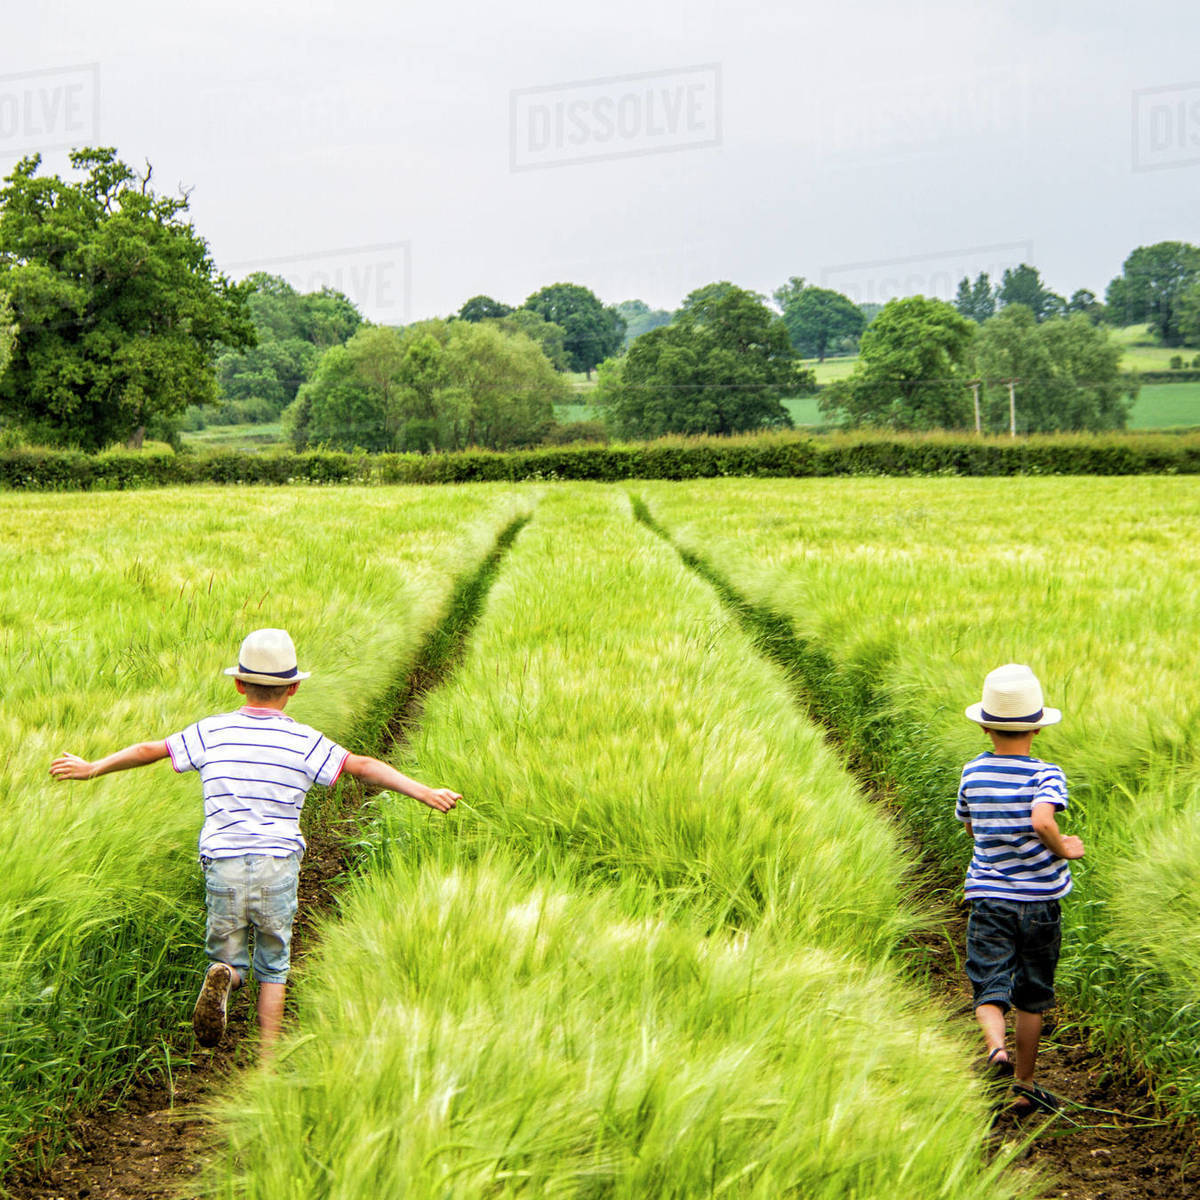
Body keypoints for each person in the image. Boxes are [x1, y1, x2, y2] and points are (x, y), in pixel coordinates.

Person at [50, 628, 460, 1054]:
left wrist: (93, 767)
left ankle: (226, 976)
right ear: (294, 688)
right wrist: (423, 791)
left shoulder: (212, 731)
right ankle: (266, 1062)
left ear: (239, 683)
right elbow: (362, 765)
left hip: (223, 862)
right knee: (274, 965)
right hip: (277, 864)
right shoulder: (303, 740)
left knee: (228, 955)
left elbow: (147, 749)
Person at [957, 663, 1085, 1116]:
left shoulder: (972, 773)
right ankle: (1024, 1084)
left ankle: (995, 1048)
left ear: (986, 727)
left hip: (989, 897)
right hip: (1041, 901)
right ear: (1036, 728)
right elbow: (1042, 820)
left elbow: (972, 829)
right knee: (1032, 994)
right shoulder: (1047, 773)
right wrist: (1064, 848)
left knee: (988, 984)